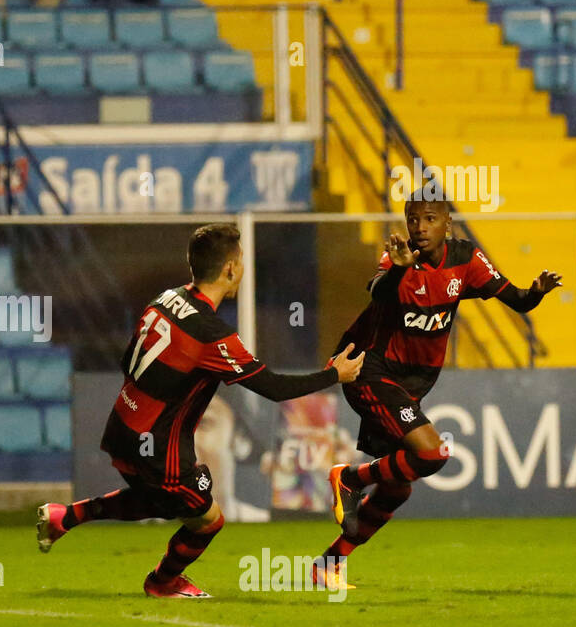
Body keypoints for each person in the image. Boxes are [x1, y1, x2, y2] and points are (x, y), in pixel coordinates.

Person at [35, 224, 366, 599]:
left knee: (160, 499)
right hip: (160, 446)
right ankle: (162, 582)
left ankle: (67, 517)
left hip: (122, 427)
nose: (241, 269)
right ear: (229, 269)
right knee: (207, 520)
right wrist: (334, 374)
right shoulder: (211, 334)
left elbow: (128, 359)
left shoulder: (164, 299)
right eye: (239, 261)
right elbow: (273, 388)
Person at [319, 199, 561, 587]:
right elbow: (380, 294)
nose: (420, 227)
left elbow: (515, 299)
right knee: (432, 452)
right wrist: (398, 268)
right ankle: (349, 477)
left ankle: (329, 564)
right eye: (413, 219)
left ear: (447, 224)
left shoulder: (465, 259)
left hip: (411, 383)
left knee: (397, 488)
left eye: (430, 219)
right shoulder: (396, 257)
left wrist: (536, 292)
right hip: (368, 368)